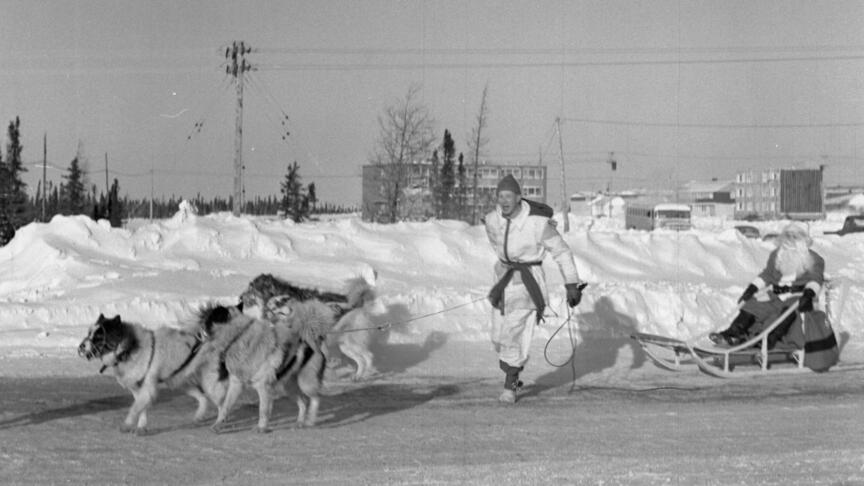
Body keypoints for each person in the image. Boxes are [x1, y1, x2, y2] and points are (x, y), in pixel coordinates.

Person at [484, 174, 585, 404]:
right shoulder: (492, 220)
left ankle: (510, 384)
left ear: (519, 198)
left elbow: (561, 252)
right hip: (502, 280)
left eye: (509, 196)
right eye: (500, 196)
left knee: (513, 332)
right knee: (498, 336)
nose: (504, 201)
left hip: (528, 282)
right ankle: (513, 371)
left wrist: (571, 283)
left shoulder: (538, 223)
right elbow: (495, 242)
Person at [709, 223, 825, 349]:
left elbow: (816, 279)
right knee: (753, 304)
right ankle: (734, 333)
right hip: (775, 296)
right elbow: (768, 274)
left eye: (794, 238)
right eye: (787, 237)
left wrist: (809, 294)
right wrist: (752, 288)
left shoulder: (814, 259)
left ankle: (770, 339)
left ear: (803, 241)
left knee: (786, 313)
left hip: (797, 297)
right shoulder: (777, 255)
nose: (790, 241)